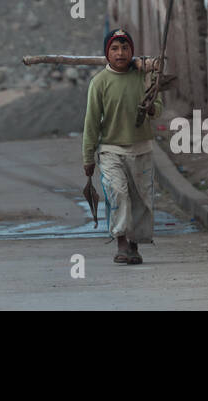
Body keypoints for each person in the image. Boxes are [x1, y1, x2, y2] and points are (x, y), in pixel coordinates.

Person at [82, 27, 164, 264]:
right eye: (115, 49)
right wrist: (88, 157)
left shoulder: (143, 76)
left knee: (140, 198)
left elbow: (158, 106)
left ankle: (135, 246)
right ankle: (121, 243)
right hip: (111, 150)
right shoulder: (99, 82)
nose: (120, 53)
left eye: (125, 48)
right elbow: (91, 123)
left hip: (142, 149)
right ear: (107, 54)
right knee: (117, 193)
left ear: (132, 51)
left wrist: (151, 108)